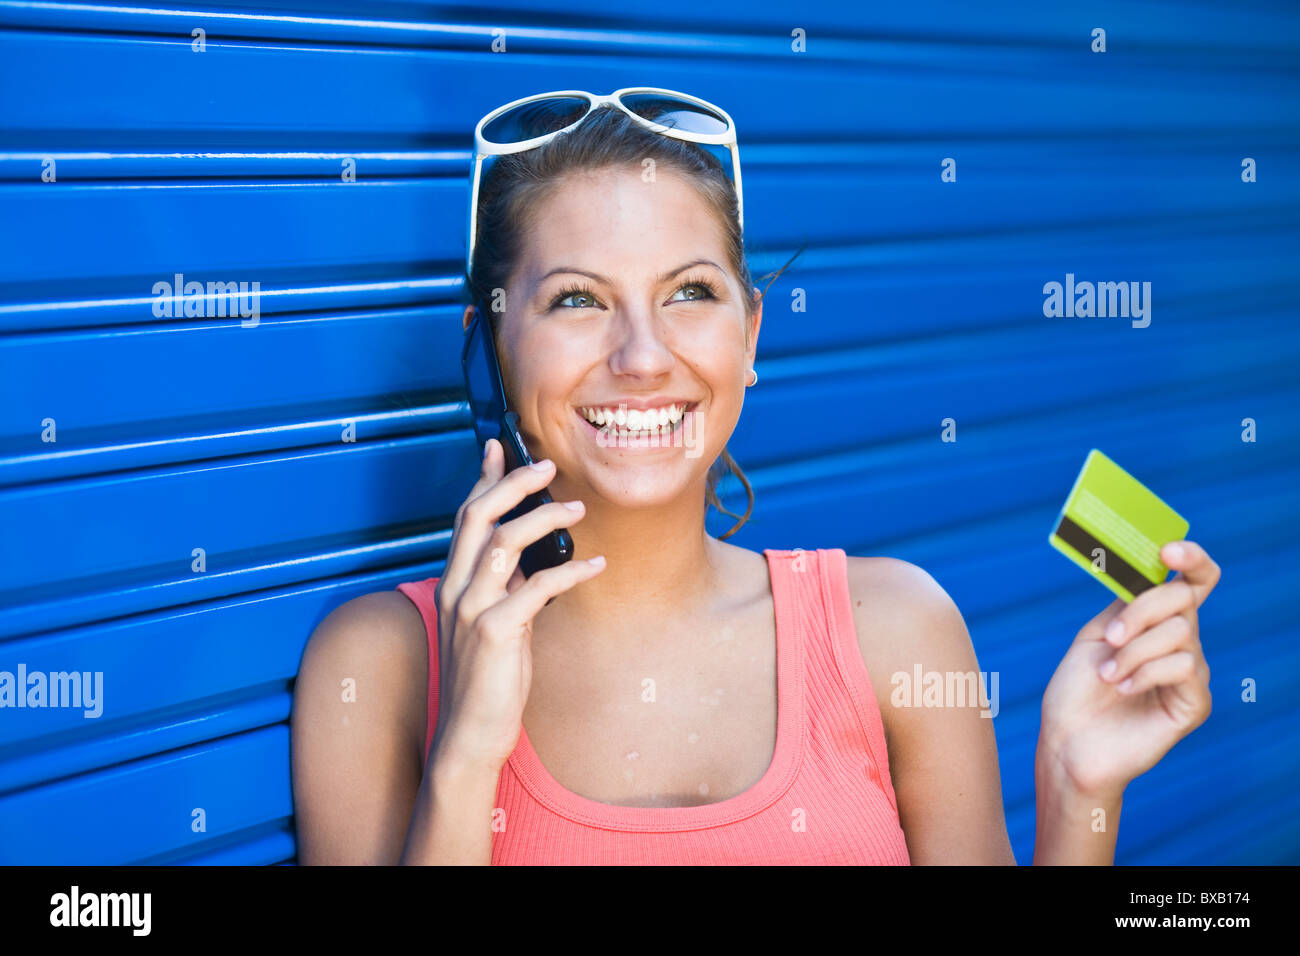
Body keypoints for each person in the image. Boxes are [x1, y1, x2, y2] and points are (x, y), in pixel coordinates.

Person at [290, 90, 1219, 865]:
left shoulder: (895, 628)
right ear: (490, 348)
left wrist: (1076, 784)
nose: (643, 356)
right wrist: (466, 762)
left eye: (690, 293)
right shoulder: (379, 667)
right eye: (577, 299)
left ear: (752, 337)